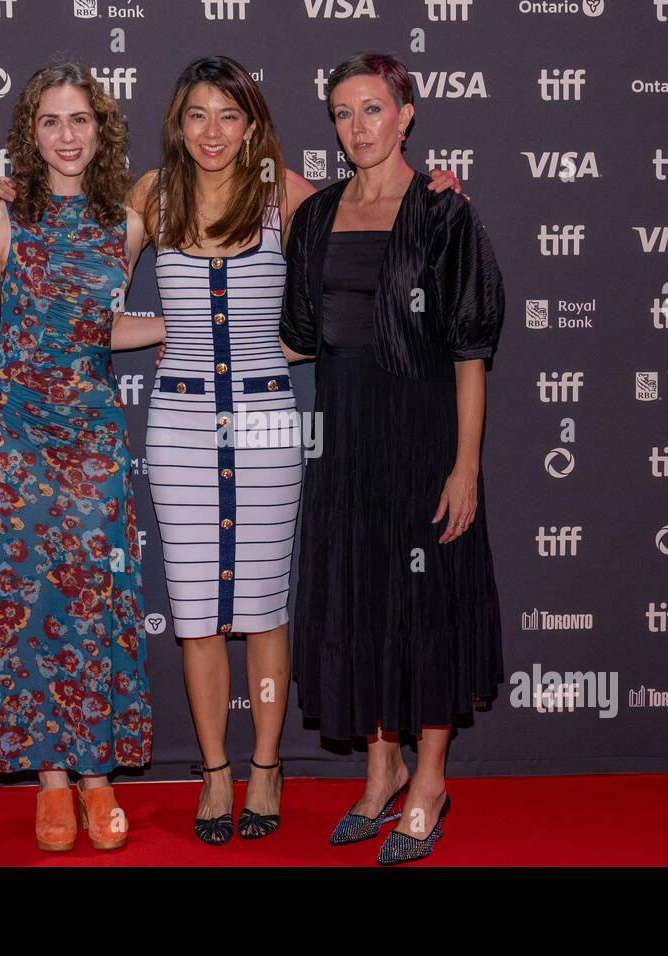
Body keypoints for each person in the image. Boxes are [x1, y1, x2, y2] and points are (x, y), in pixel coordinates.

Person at [0, 55, 462, 845]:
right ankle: (214, 773)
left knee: (267, 607)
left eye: (229, 116)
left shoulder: (287, 194)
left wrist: (433, 194)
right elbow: (85, 306)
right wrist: (17, 205)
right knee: (199, 614)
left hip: (270, 422)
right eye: (198, 115)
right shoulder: (151, 195)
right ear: (179, 123)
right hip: (176, 424)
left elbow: (374, 225)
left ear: (252, 123)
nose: (213, 132)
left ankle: (266, 768)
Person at [279, 52, 506, 865]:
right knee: (362, 602)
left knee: (430, 607)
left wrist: (464, 466)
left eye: (372, 109)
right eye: (342, 113)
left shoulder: (443, 212)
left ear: (406, 113)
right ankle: (380, 772)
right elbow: (302, 336)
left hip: (423, 441)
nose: (357, 128)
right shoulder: (318, 214)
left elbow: (471, 349)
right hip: (343, 444)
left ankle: (430, 781)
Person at [0, 61, 163, 854]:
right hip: (13, 436)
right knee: (26, 607)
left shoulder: (127, 223)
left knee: (94, 601)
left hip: (93, 439)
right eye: (50, 121)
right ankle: (51, 781)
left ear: (101, 130)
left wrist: (170, 328)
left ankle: (98, 770)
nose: (66, 135)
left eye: (80, 120)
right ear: (28, 135)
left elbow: (97, 330)